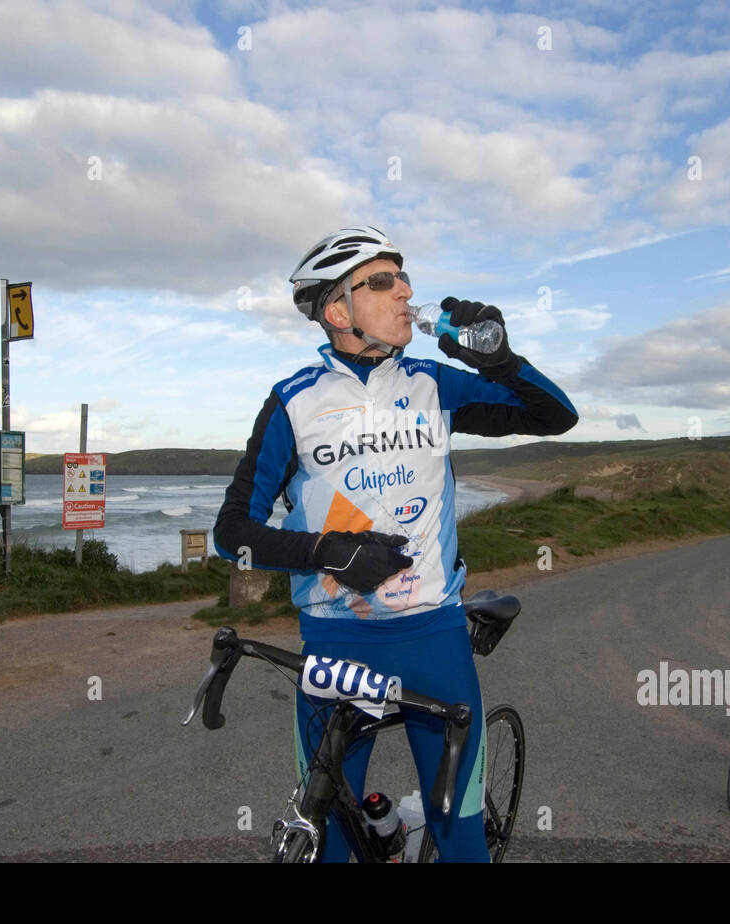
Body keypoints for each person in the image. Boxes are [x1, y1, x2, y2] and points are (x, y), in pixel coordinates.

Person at [212, 226, 578, 862]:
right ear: (336, 310)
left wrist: (498, 359)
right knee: (327, 840)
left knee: (460, 837)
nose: (406, 290)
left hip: (434, 636)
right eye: (381, 281)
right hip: (337, 640)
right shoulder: (294, 402)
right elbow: (232, 533)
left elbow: (555, 416)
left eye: (404, 277)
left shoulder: (434, 384)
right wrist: (326, 552)